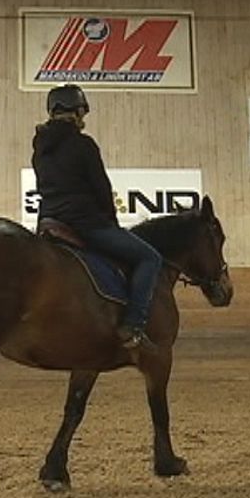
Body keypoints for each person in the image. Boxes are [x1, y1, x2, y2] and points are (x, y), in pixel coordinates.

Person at [32, 84, 163, 351]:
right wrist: (111, 223)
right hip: (85, 223)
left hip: (50, 223)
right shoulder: (83, 144)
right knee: (150, 258)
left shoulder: (40, 149)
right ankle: (134, 325)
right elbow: (102, 188)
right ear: (78, 111)